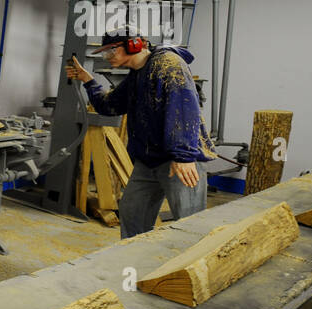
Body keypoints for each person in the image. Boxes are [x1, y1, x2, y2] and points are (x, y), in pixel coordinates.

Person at [65, 35, 216, 239]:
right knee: (132, 211)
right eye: (105, 52)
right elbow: (110, 105)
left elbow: (183, 108)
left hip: (180, 161)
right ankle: (133, 264)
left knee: (189, 224)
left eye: (111, 50)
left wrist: (184, 157)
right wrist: (87, 80)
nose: (108, 56)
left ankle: (191, 268)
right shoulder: (137, 74)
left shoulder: (168, 64)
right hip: (149, 160)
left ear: (134, 44)